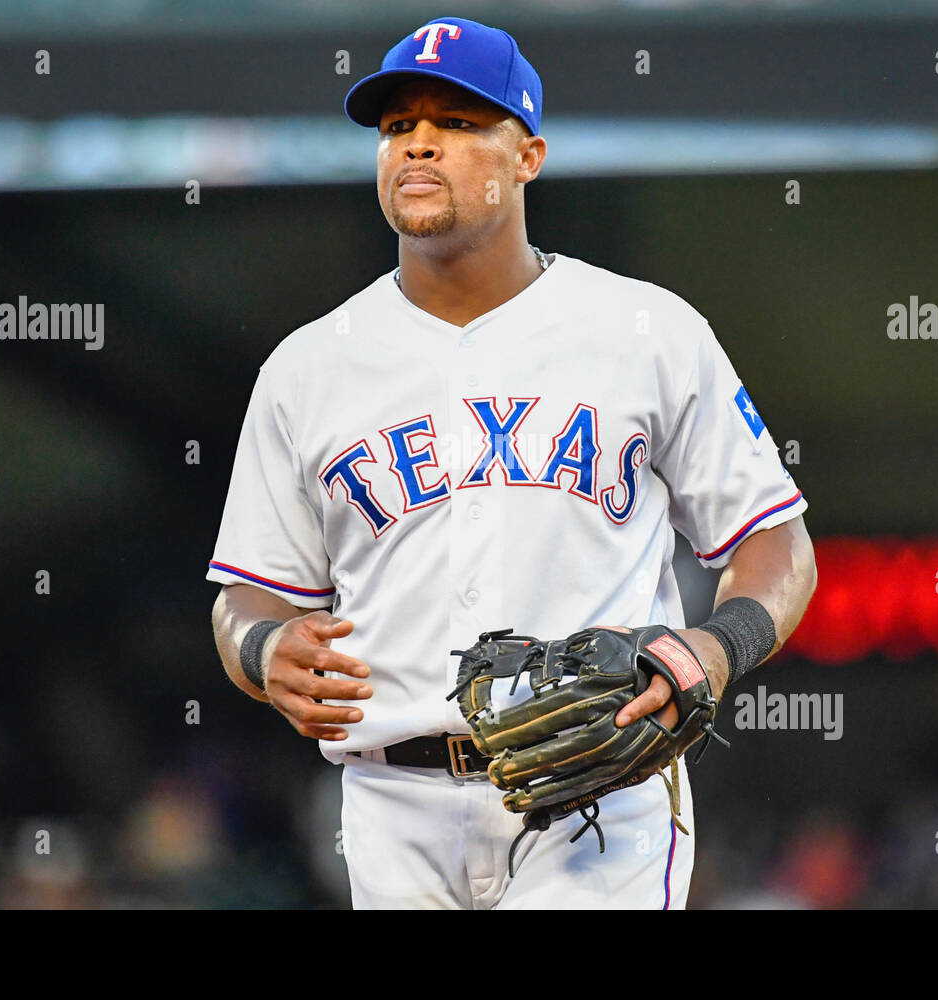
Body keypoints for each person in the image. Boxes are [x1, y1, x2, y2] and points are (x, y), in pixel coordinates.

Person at [208, 16, 817, 909]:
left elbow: (778, 549)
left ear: (527, 154)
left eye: (457, 122)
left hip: (600, 798)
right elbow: (245, 599)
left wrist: (715, 651)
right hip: (387, 805)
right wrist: (262, 651)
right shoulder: (308, 367)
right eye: (396, 125)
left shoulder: (647, 330)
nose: (418, 142)